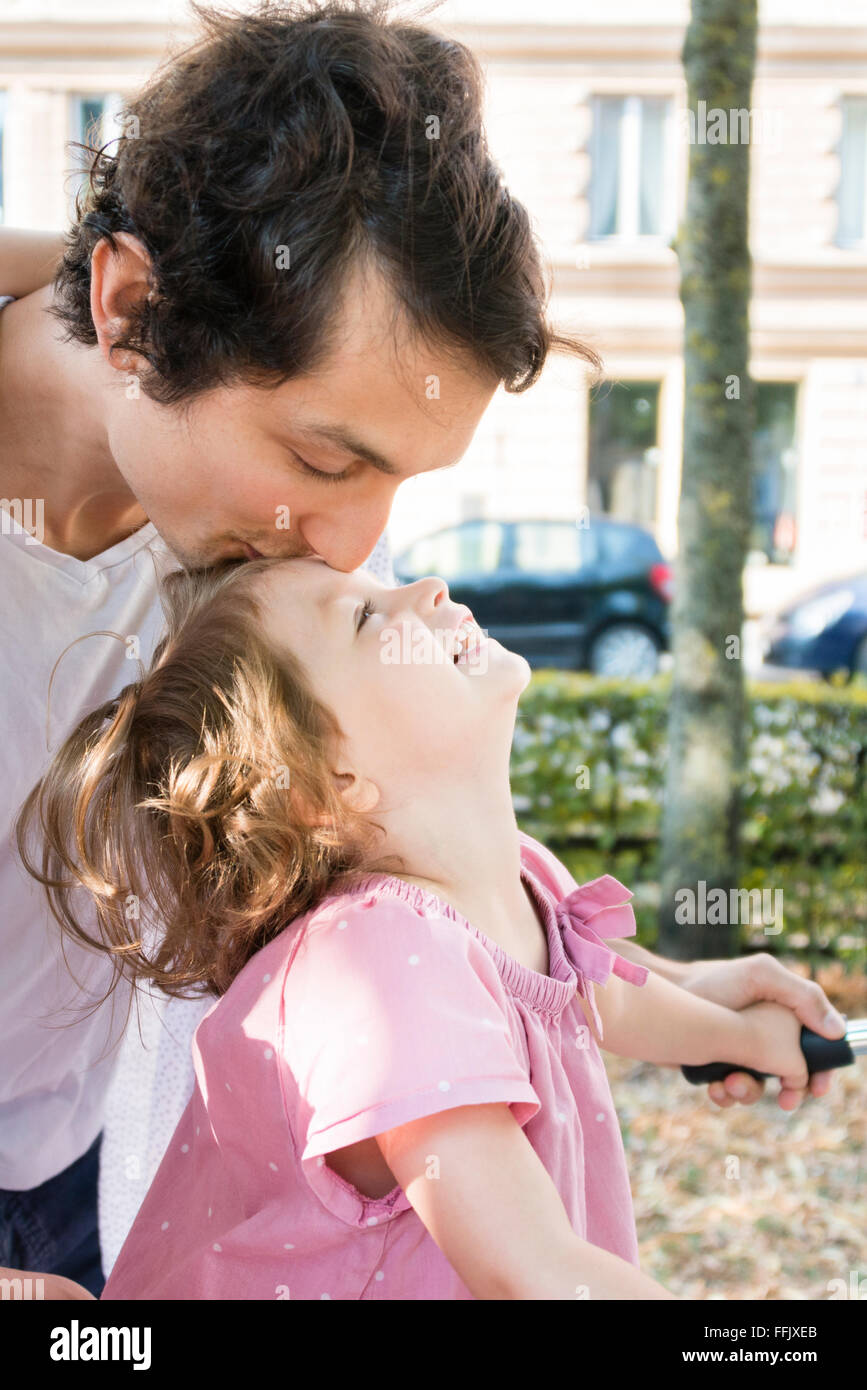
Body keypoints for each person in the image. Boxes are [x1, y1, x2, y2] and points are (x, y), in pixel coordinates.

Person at [0, 0, 843, 1299]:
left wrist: (676, 996)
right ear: (127, 311)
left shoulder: (275, 570)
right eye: (323, 458)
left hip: (73, 1169)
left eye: (395, 480)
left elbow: (421, 892)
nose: (356, 548)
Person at [13, 555, 830, 1300]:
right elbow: (531, 1271)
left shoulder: (513, 874)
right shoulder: (376, 965)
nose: (425, 587)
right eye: (366, 616)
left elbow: (591, 997)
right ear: (326, 781)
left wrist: (732, 1028)